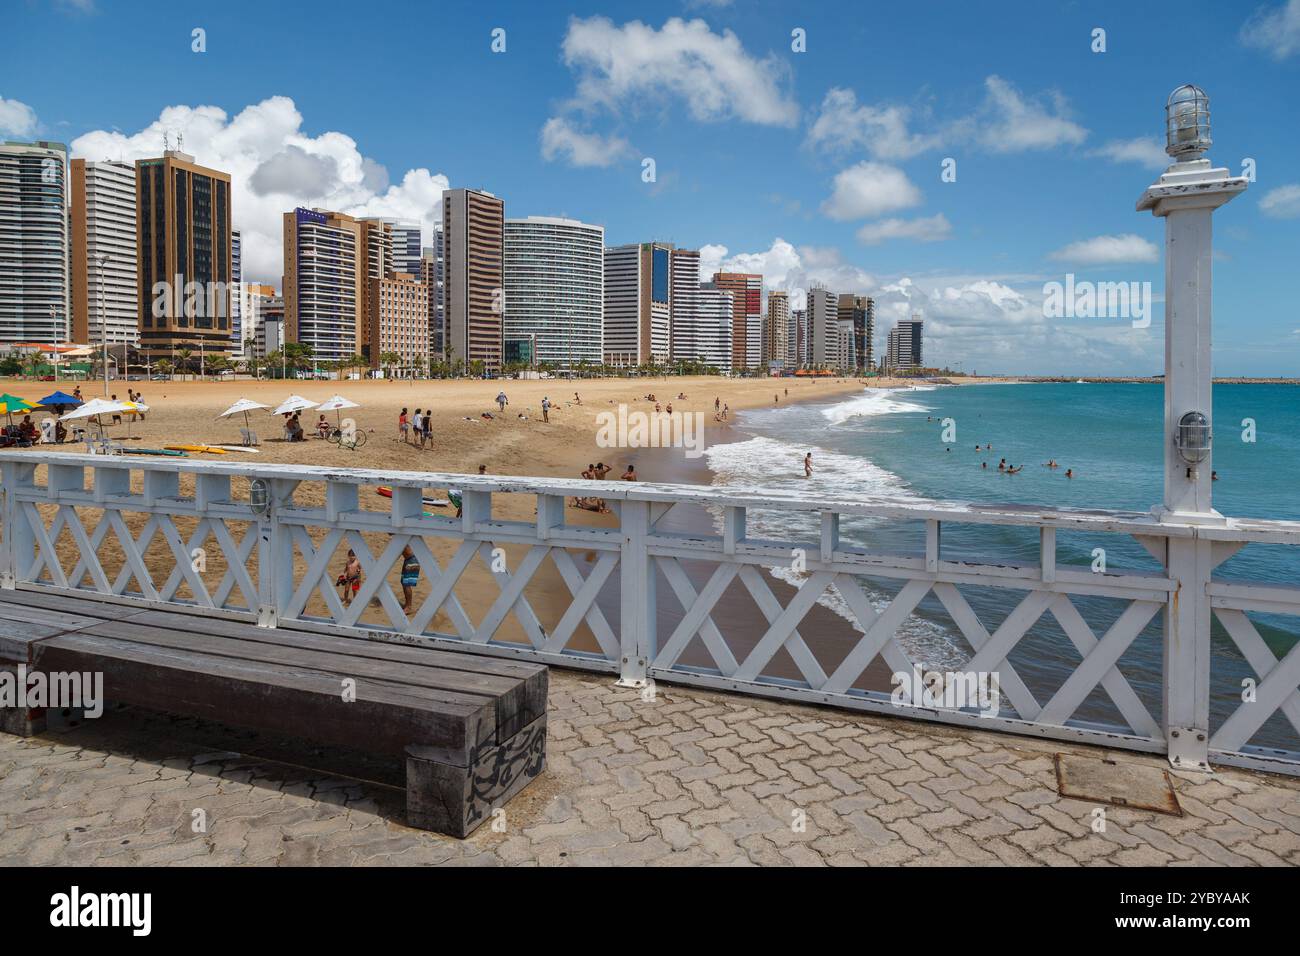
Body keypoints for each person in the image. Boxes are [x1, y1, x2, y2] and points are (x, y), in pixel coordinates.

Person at [399, 545, 420, 612]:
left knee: (406, 584)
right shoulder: (400, 537)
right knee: (404, 582)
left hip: (412, 560)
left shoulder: (400, 537)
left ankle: (409, 606)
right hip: (409, 559)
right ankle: (407, 604)